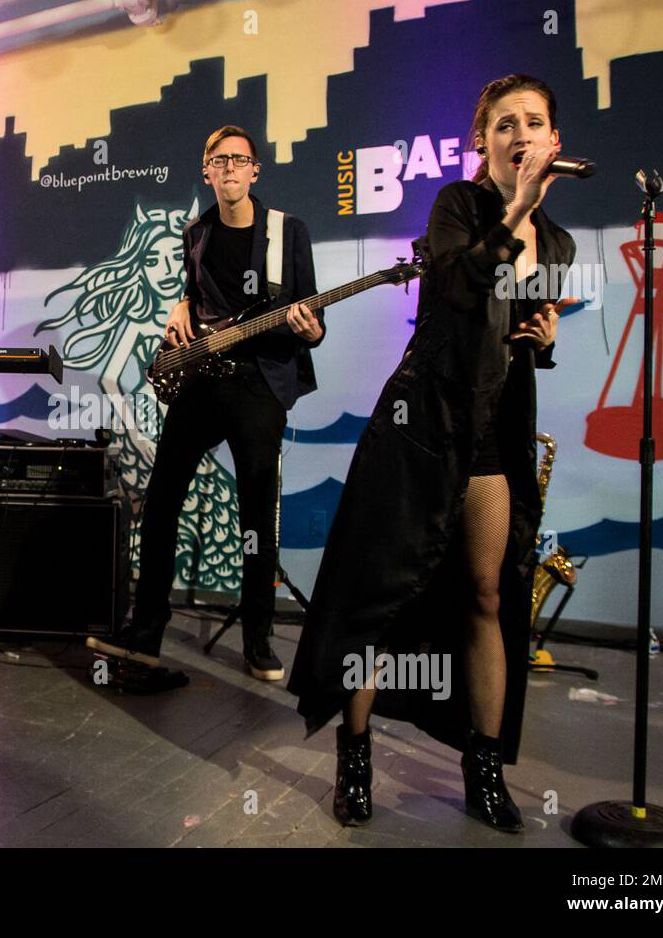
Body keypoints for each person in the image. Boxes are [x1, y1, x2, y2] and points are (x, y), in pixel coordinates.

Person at [287, 74, 576, 832]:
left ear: (555, 143)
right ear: (483, 141)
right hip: (422, 428)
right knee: (383, 597)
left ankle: (483, 774)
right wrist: (516, 211)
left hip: (491, 434)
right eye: (503, 124)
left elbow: (522, 327)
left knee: (486, 596)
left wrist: (545, 341)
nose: (519, 135)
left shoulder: (563, 241)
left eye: (533, 123)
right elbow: (454, 288)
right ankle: (354, 756)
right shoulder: (459, 205)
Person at [87, 125, 326, 682]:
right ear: (207, 171)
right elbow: (198, 295)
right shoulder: (195, 232)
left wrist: (311, 332)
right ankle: (145, 632)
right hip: (202, 379)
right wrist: (179, 305)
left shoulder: (288, 232)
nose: (229, 170)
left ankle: (259, 639)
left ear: (255, 170)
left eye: (239, 160)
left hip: (258, 384)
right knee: (162, 500)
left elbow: (314, 321)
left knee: (255, 516)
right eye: (218, 160)